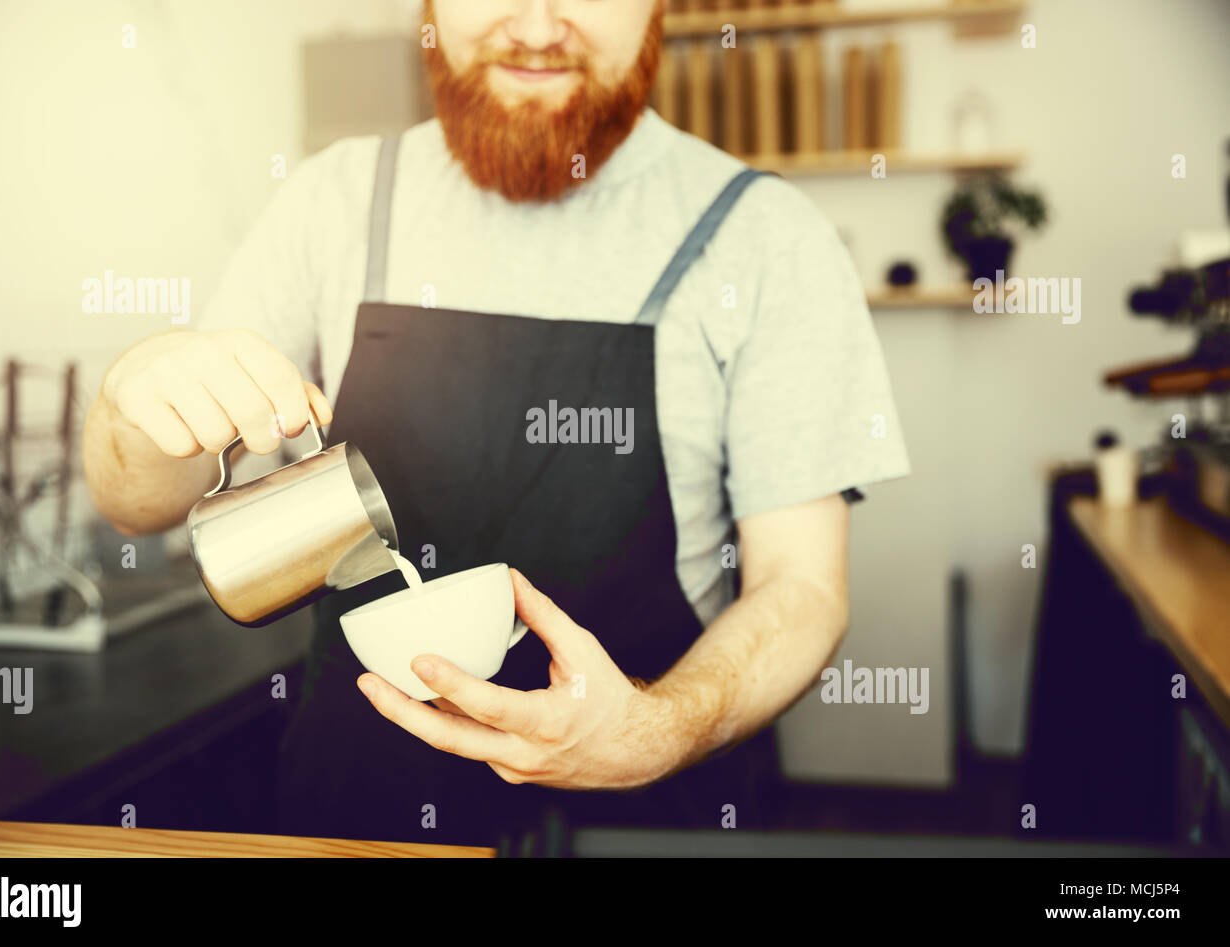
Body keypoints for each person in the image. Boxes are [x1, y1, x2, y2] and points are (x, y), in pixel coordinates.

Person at [82, 0, 911, 849]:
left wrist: (655, 729)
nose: (541, 26)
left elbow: (802, 588)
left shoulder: (767, 237)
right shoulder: (336, 201)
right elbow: (138, 506)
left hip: (646, 820)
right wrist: (133, 397)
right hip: (361, 814)